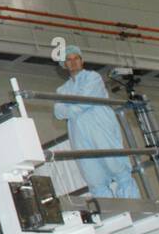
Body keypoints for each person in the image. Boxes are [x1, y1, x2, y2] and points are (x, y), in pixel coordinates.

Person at [53, 45, 139, 199]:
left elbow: (84, 101)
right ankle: (112, 215)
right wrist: (75, 106)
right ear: (64, 65)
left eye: (76, 58)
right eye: (68, 60)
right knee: (93, 176)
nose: (73, 62)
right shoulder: (62, 89)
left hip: (101, 127)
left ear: (82, 60)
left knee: (117, 167)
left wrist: (71, 107)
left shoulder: (93, 77)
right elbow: (59, 112)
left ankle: (134, 208)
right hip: (79, 134)